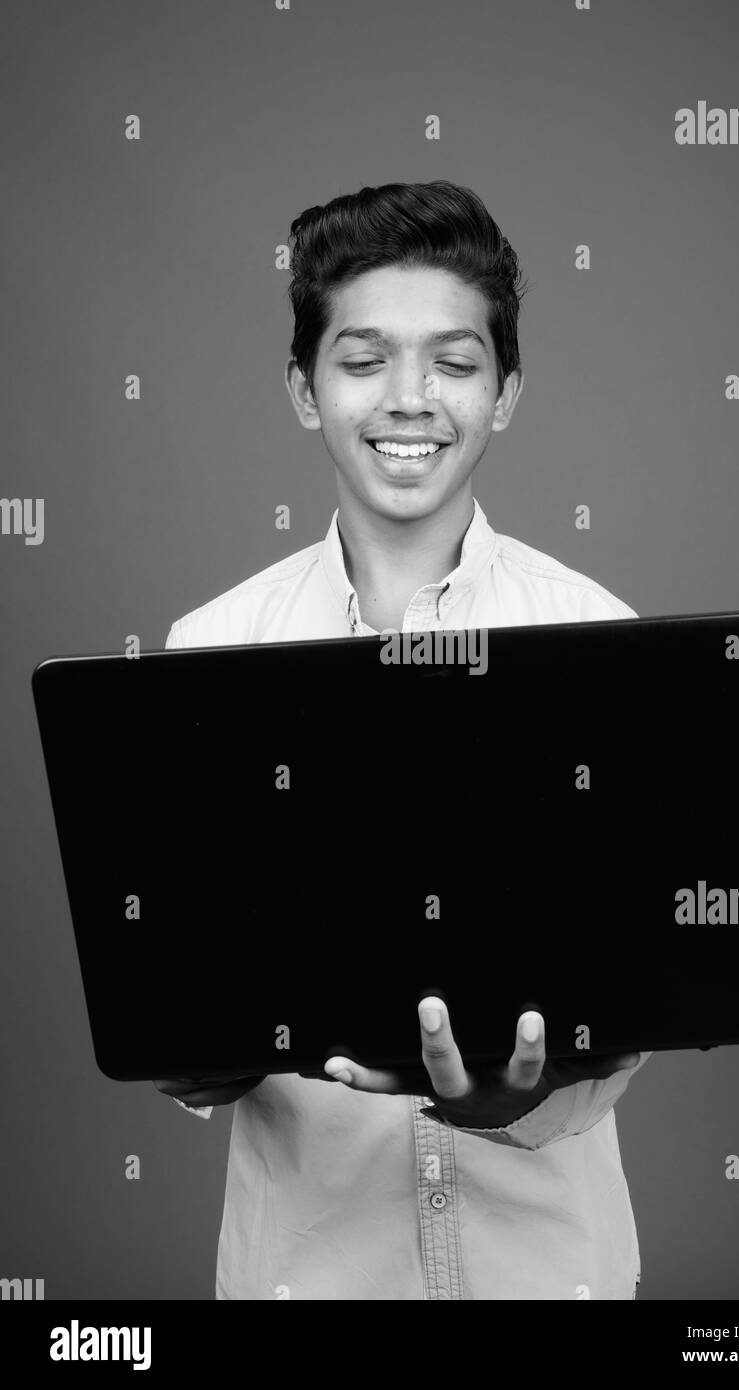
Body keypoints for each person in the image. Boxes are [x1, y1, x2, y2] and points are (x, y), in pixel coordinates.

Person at [156, 179, 651, 1300]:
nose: (411, 399)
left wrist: (535, 1095)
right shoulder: (210, 650)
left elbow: (632, 996)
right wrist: (188, 1055)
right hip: (307, 1280)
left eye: (457, 363)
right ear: (303, 387)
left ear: (507, 391)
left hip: (551, 1279)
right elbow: (182, 992)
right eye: (364, 358)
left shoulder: (602, 642)